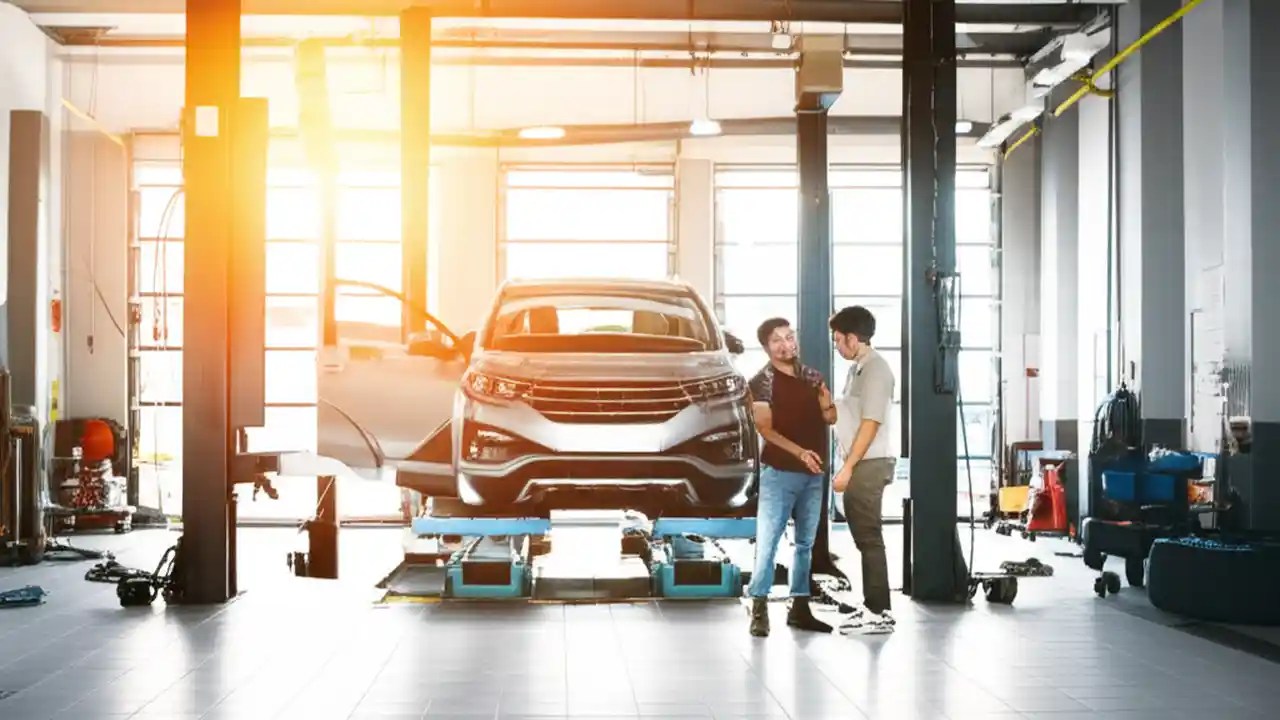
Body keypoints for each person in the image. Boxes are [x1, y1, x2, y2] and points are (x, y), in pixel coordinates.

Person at [745, 317, 837, 637]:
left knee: (805, 544)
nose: (787, 344)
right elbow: (765, 429)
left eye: (790, 336)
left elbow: (829, 417)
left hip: (813, 473)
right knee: (768, 543)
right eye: (777, 340)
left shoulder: (812, 376)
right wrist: (800, 453)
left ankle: (800, 606)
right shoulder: (761, 382)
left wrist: (828, 405)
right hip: (779, 472)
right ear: (767, 347)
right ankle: (758, 605)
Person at [829, 306, 897, 634]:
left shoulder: (876, 370)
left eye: (839, 340)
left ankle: (880, 613)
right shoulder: (856, 369)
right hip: (860, 462)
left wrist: (848, 468)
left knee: (869, 538)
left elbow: (871, 424)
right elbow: (851, 416)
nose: (837, 346)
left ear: (853, 339)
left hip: (869, 464)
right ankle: (872, 605)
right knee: (863, 537)